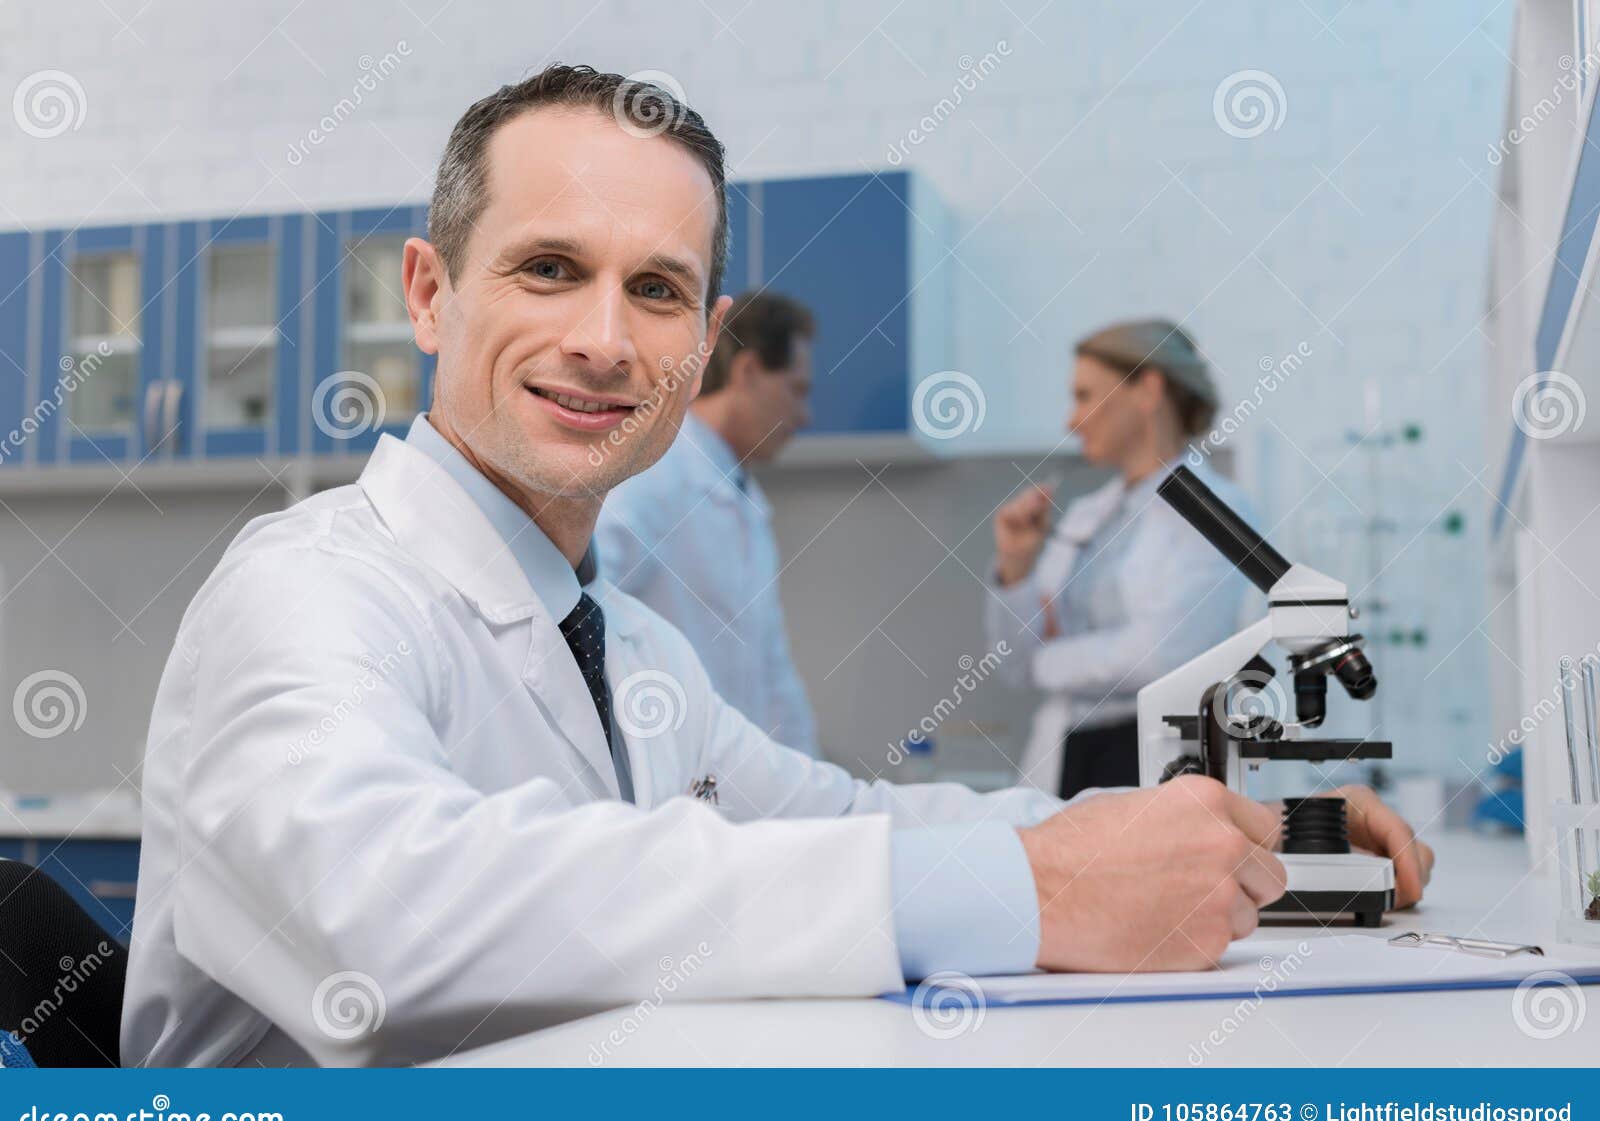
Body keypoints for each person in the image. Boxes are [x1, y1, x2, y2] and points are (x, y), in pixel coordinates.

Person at [121, 67, 1431, 1068]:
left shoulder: (626, 646)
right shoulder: (309, 590)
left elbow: (847, 821)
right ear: (426, 292)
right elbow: (375, 920)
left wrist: (1255, 840)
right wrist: (1029, 892)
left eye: (658, 290)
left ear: (705, 338)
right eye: (548, 268)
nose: (601, 337)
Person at [985, 322, 1255, 799]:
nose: (1072, 420)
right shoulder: (1086, 517)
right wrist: (1016, 568)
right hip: (1063, 757)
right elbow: (1014, 664)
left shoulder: (1218, 508)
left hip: (1150, 757)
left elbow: (1163, 655)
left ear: (1148, 389)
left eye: (1084, 395)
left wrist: (1049, 660)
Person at [595, 291, 818, 754]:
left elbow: (772, 675)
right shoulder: (652, 473)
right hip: (663, 782)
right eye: (796, 389)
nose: (804, 416)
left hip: (735, 786)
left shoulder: (743, 498)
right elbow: (577, 617)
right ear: (748, 373)